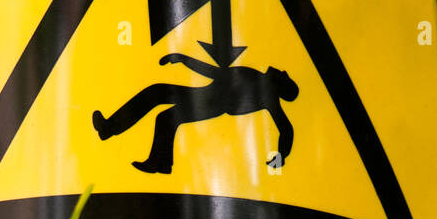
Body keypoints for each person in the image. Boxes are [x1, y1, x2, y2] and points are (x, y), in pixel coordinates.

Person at [92, 50, 299, 174]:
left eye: (284, 76)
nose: (281, 71)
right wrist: (184, 59)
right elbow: (218, 74)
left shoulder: (266, 94)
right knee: (156, 92)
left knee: (166, 117)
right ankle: (110, 129)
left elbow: (286, 128)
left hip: (209, 104)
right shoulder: (258, 79)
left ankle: (158, 163)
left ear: (281, 85)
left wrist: (281, 156)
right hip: (204, 95)